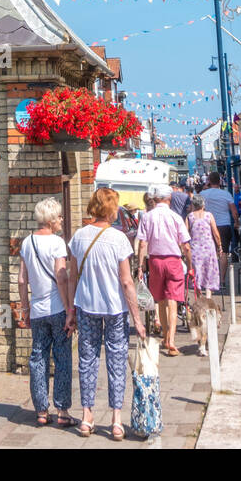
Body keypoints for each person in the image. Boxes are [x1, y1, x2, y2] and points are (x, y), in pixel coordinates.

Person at [67, 187, 146, 440]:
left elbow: (72, 276)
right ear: (112, 209)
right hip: (114, 308)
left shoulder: (79, 237)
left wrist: (71, 309)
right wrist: (137, 319)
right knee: (116, 361)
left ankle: (87, 416)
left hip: (86, 305)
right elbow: (126, 282)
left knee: (87, 360)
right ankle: (116, 419)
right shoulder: (118, 239)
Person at [18, 198, 74, 428]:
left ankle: (41, 410)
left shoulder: (26, 242)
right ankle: (62, 411)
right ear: (51, 220)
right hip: (57, 309)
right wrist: (69, 309)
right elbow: (61, 277)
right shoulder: (57, 243)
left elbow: (22, 279)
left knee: (38, 358)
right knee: (62, 359)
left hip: (38, 310)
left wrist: (25, 308)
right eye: (59, 217)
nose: (61, 220)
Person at [135, 188, 192, 355]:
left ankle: (165, 336)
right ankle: (172, 340)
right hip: (173, 260)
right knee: (173, 300)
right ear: (169, 198)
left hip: (155, 261)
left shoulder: (147, 217)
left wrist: (140, 266)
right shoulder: (176, 217)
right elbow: (186, 246)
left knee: (160, 300)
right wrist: (190, 266)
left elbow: (142, 244)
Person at [202, 172, 240, 280]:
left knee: (210, 252)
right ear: (220, 181)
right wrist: (236, 222)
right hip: (224, 225)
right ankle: (222, 280)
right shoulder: (226, 194)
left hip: (208, 225)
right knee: (224, 252)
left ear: (209, 181)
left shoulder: (203, 194)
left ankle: (211, 278)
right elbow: (234, 212)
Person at [186, 195, 222, 296]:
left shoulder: (190, 217)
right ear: (203, 204)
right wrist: (219, 246)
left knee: (197, 272)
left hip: (195, 249)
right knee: (210, 271)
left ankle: (199, 297)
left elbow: (185, 234)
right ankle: (208, 297)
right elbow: (215, 233)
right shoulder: (209, 215)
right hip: (208, 248)